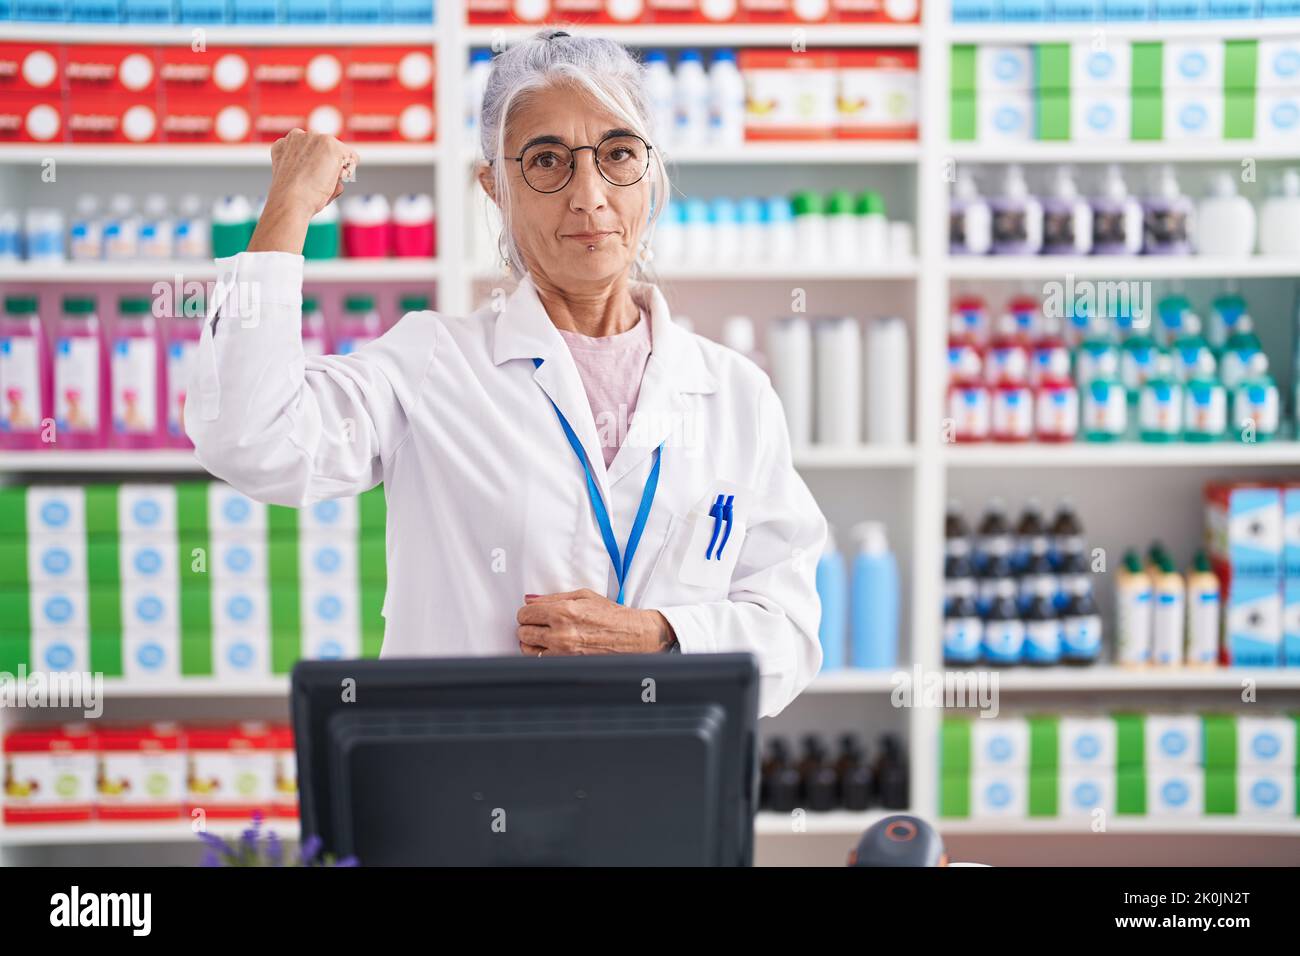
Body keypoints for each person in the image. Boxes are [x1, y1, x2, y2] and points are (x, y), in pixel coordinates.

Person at [185, 29, 826, 717]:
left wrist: (655, 636)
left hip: (658, 795)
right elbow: (251, 439)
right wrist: (287, 209)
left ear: (650, 170)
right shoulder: (433, 363)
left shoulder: (734, 394)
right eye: (547, 161)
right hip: (462, 791)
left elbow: (788, 633)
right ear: (495, 187)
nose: (588, 195)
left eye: (617, 154)